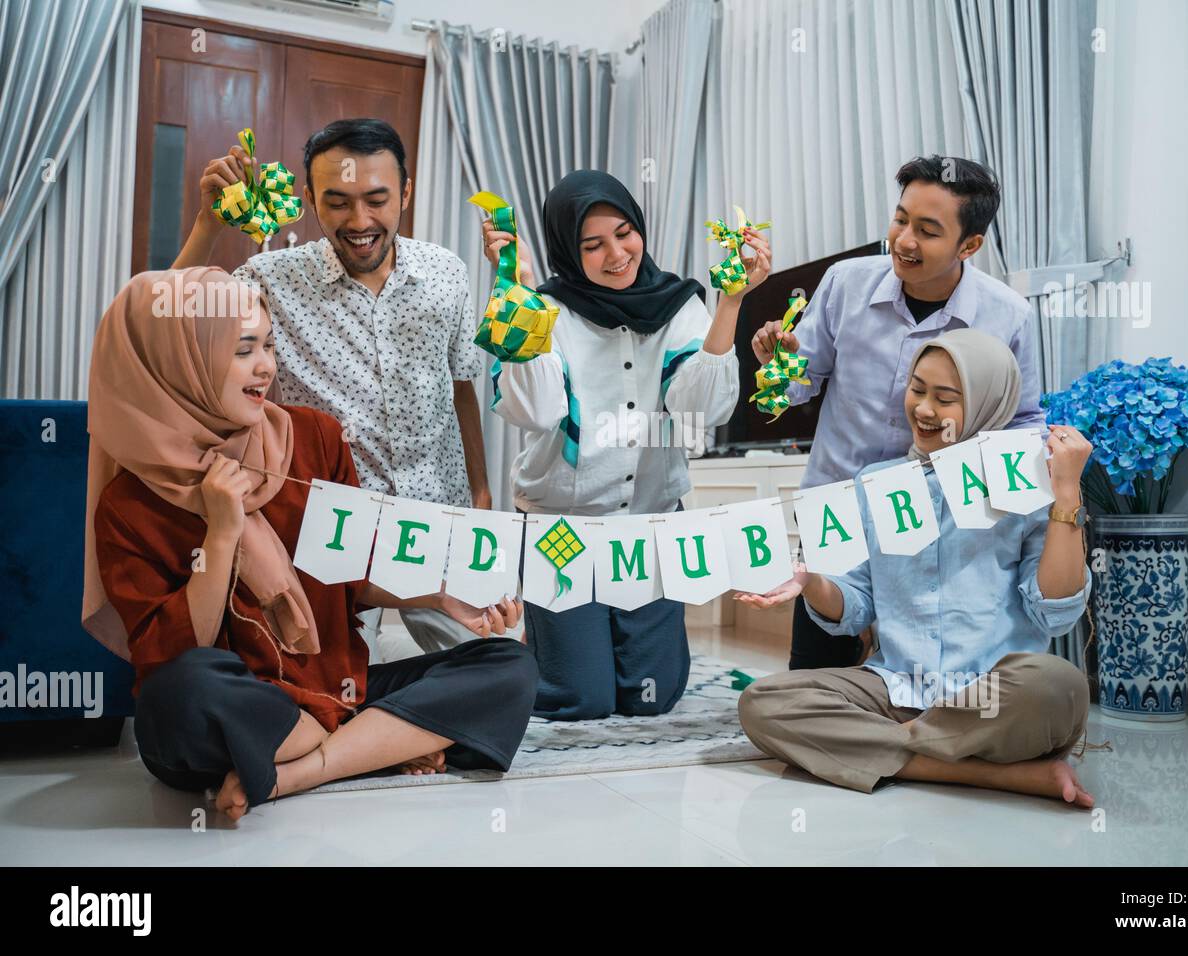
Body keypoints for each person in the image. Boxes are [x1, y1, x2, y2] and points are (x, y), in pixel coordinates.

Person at [81, 268, 536, 822]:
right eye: (242, 350)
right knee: (179, 696)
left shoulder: (314, 437)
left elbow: (350, 573)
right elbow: (176, 652)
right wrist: (221, 533)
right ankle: (372, 745)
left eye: (269, 345)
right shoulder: (129, 502)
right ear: (180, 364)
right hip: (239, 703)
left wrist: (439, 594)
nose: (266, 367)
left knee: (507, 666)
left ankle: (302, 770)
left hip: (329, 688)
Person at [736, 328, 1096, 807]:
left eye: (945, 398)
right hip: (895, 688)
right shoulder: (875, 482)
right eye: (917, 389)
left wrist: (1066, 494)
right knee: (763, 703)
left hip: (992, 695)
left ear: (988, 403)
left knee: (1058, 687)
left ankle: (887, 748)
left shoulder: (1028, 483)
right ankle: (986, 772)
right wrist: (811, 582)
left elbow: (1055, 612)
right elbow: (857, 605)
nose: (924, 410)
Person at [171, 118, 488, 655]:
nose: (359, 221)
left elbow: (461, 388)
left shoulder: (447, 273)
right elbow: (164, 321)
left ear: (406, 193)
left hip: (440, 510)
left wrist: (480, 492)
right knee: (337, 677)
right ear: (310, 199)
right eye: (337, 202)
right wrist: (207, 224)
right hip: (332, 525)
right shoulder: (268, 279)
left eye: (377, 199)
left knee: (490, 662)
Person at [480, 170, 766, 720]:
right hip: (562, 527)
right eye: (592, 245)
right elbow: (535, 410)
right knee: (580, 698)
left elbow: (701, 412)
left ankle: (572, 634)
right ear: (568, 249)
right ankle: (544, 635)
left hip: (650, 524)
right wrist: (518, 289)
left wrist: (731, 303)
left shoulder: (680, 304)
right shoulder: (541, 307)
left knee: (651, 695)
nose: (616, 254)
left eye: (624, 233)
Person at [751, 155, 1047, 670]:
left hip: (937, 518)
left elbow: (1023, 424)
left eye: (928, 231)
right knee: (816, 666)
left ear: (970, 245)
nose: (904, 241)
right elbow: (797, 388)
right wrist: (777, 368)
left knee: (925, 664)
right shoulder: (845, 283)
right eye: (900, 220)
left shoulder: (1009, 315)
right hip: (837, 504)